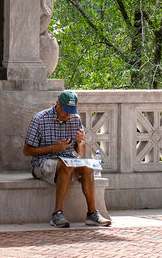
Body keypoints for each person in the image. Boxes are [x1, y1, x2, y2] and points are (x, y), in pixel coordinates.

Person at [23, 91, 110, 228]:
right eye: (65, 111)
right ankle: (57, 214)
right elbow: (27, 151)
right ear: (57, 104)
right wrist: (54, 148)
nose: (68, 115)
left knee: (87, 168)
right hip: (43, 163)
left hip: (69, 160)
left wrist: (80, 143)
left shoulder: (75, 119)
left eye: (71, 111)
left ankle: (92, 213)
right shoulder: (40, 119)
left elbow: (79, 152)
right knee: (66, 165)